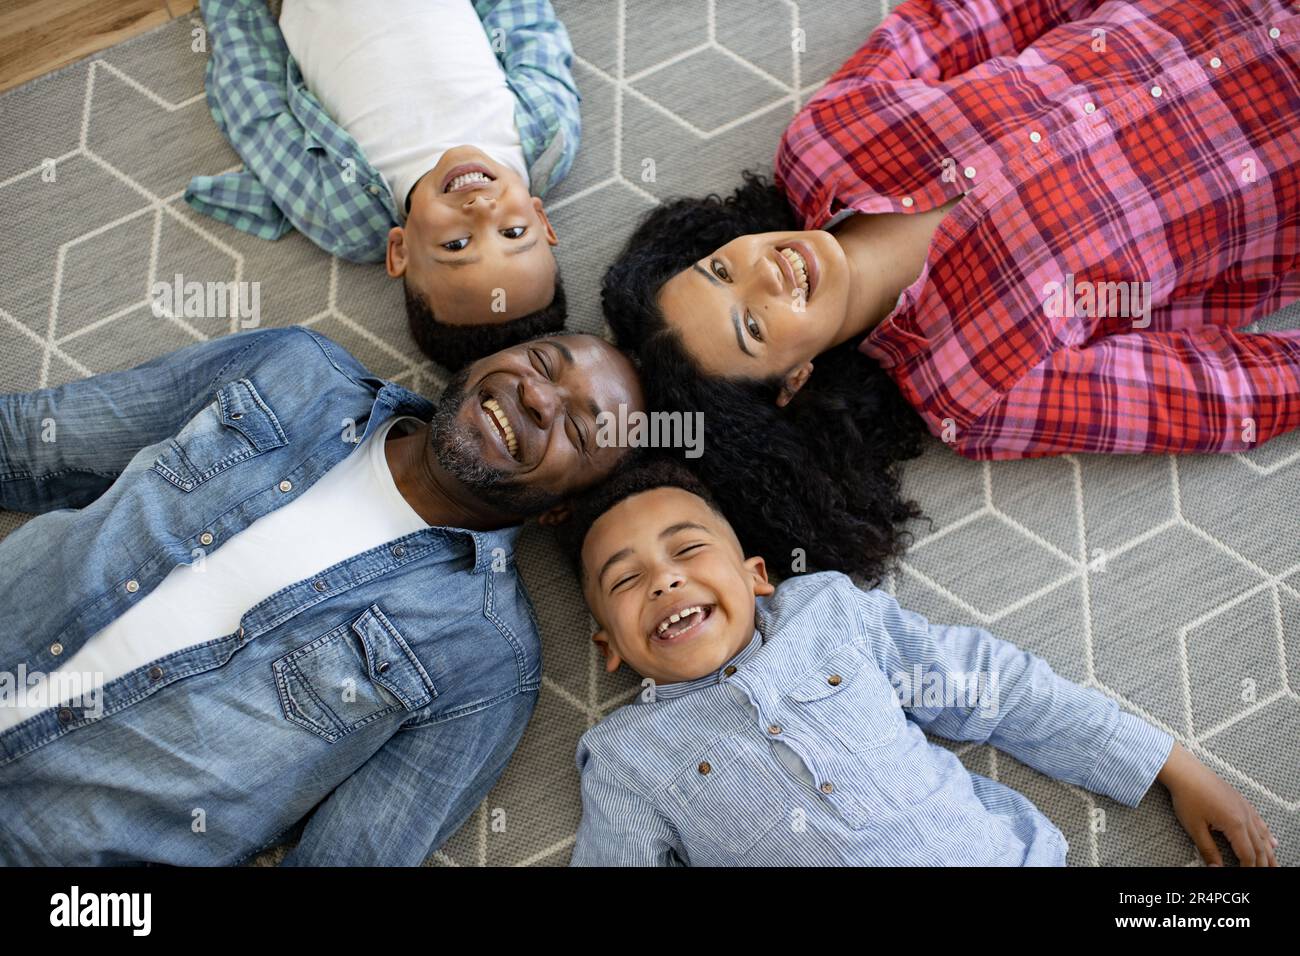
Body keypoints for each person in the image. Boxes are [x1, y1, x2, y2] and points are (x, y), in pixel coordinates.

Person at [601, 0, 1300, 577]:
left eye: (721, 269)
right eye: (752, 327)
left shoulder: (826, 145)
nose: (765, 274)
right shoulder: (976, 388)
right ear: (792, 382)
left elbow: (974, 16)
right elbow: (1217, 393)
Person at [0, 325, 644, 865]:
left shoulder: (486, 664)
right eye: (540, 362)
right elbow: (34, 441)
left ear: (560, 512)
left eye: (580, 432)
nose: (536, 395)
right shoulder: (291, 370)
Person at [563, 458, 1279, 866]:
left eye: (688, 550)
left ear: (757, 576)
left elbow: (997, 687)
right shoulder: (626, 759)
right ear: (611, 649)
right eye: (626, 581)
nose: (664, 581)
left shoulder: (828, 617)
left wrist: (1170, 766)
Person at [186, 0, 582, 368]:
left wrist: (235, 13)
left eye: (456, 244)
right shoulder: (549, 138)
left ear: (400, 250)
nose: (481, 208)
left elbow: (260, 112)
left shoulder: (347, 212)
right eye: (513, 232)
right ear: (542, 220)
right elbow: (526, 26)